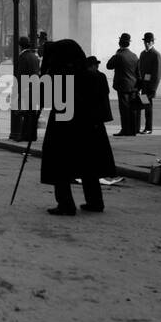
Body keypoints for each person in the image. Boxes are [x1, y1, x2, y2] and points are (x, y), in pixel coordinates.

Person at [40, 45, 116, 214]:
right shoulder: (95, 76)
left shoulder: (60, 77)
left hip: (64, 128)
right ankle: (95, 202)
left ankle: (66, 204)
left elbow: (45, 98)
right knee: (90, 168)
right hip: (91, 128)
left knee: (60, 167)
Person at [107, 32, 140, 136]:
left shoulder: (119, 56)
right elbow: (138, 72)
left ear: (120, 43)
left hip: (123, 86)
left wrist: (116, 54)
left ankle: (125, 130)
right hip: (134, 86)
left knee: (124, 109)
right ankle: (133, 129)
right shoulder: (134, 56)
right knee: (133, 109)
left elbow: (109, 65)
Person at [11, 35, 41, 141]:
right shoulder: (34, 57)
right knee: (32, 113)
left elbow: (21, 75)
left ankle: (25, 135)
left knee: (26, 113)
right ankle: (32, 135)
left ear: (20, 46)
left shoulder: (23, 57)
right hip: (35, 87)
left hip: (26, 88)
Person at [136, 32, 161, 135]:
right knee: (144, 106)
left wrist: (153, 88)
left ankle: (148, 128)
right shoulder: (142, 54)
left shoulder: (156, 55)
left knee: (148, 107)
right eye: (145, 42)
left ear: (152, 42)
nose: (146, 44)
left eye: (148, 42)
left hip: (150, 87)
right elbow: (140, 69)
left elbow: (157, 73)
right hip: (143, 86)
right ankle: (143, 127)